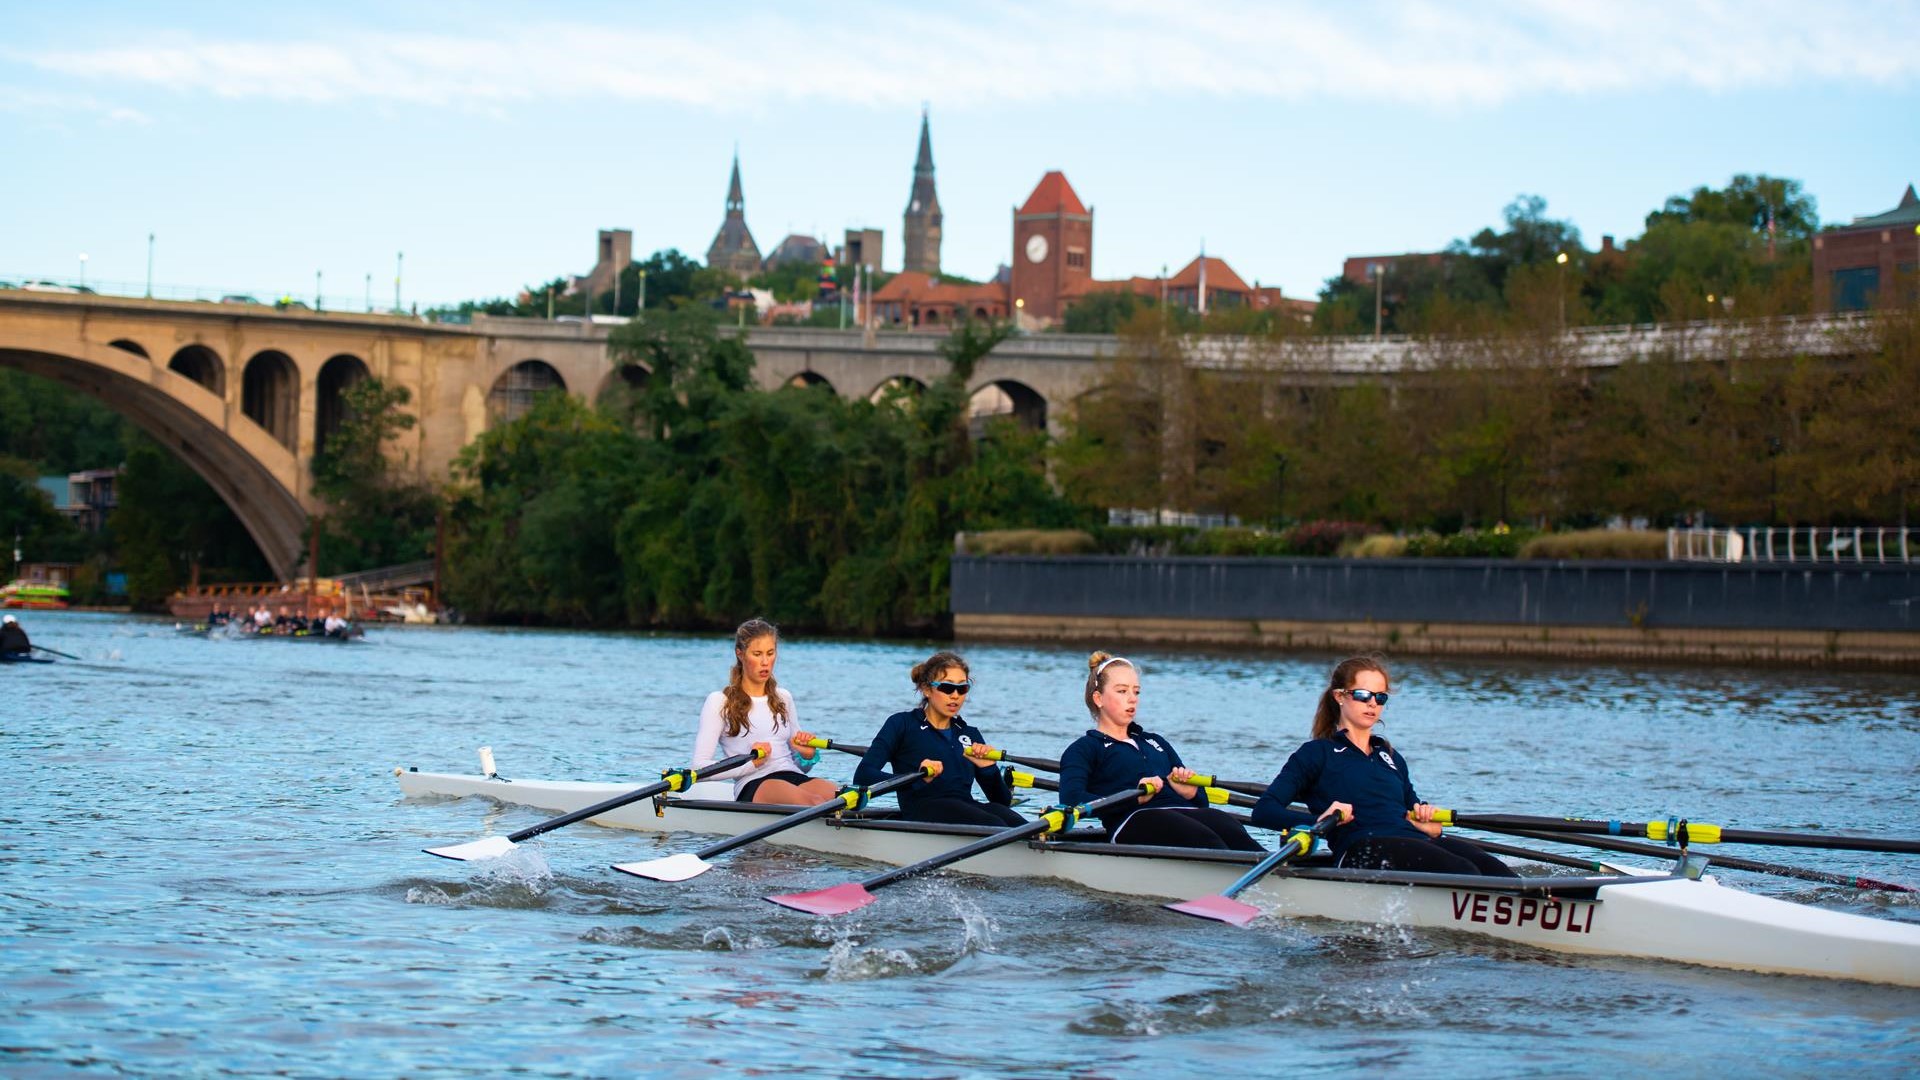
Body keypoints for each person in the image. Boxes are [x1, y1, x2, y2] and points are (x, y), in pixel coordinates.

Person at [1252, 656, 1515, 877]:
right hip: (1362, 850)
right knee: (1461, 868)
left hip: (1413, 842)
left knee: (1490, 866)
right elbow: (1264, 811)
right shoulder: (1316, 753)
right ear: (1340, 696)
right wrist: (1318, 822)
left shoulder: (1391, 757)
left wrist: (1430, 825)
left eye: (1380, 697)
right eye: (1364, 695)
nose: (1372, 704)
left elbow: (1413, 809)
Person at [1058, 653, 1265, 851]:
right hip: (1135, 819)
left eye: (1136, 691)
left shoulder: (1155, 741)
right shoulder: (1084, 749)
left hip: (1183, 813)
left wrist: (1191, 791)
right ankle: (1232, 879)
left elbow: (1201, 801)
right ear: (1098, 698)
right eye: (1122, 691)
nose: (1132, 699)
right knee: (1199, 835)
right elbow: (1071, 800)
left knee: (1226, 823)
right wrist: (1133, 798)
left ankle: (1277, 871)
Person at [853, 650, 1023, 827]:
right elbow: (863, 775)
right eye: (947, 687)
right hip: (921, 809)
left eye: (962, 688)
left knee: (1020, 825)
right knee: (993, 822)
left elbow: (1001, 802)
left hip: (966, 807)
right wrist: (914, 778)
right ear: (927, 689)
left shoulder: (969, 734)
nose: (955, 695)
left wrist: (989, 770)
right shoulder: (901, 724)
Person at [693, 618, 838, 806]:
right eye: (757, 654)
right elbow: (698, 767)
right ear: (740, 654)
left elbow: (801, 766)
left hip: (792, 776)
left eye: (770, 653)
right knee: (814, 802)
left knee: (846, 799)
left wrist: (807, 756)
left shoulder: (783, 698)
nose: (765, 662)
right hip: (754, 783)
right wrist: (750, 764)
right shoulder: (720, 702)